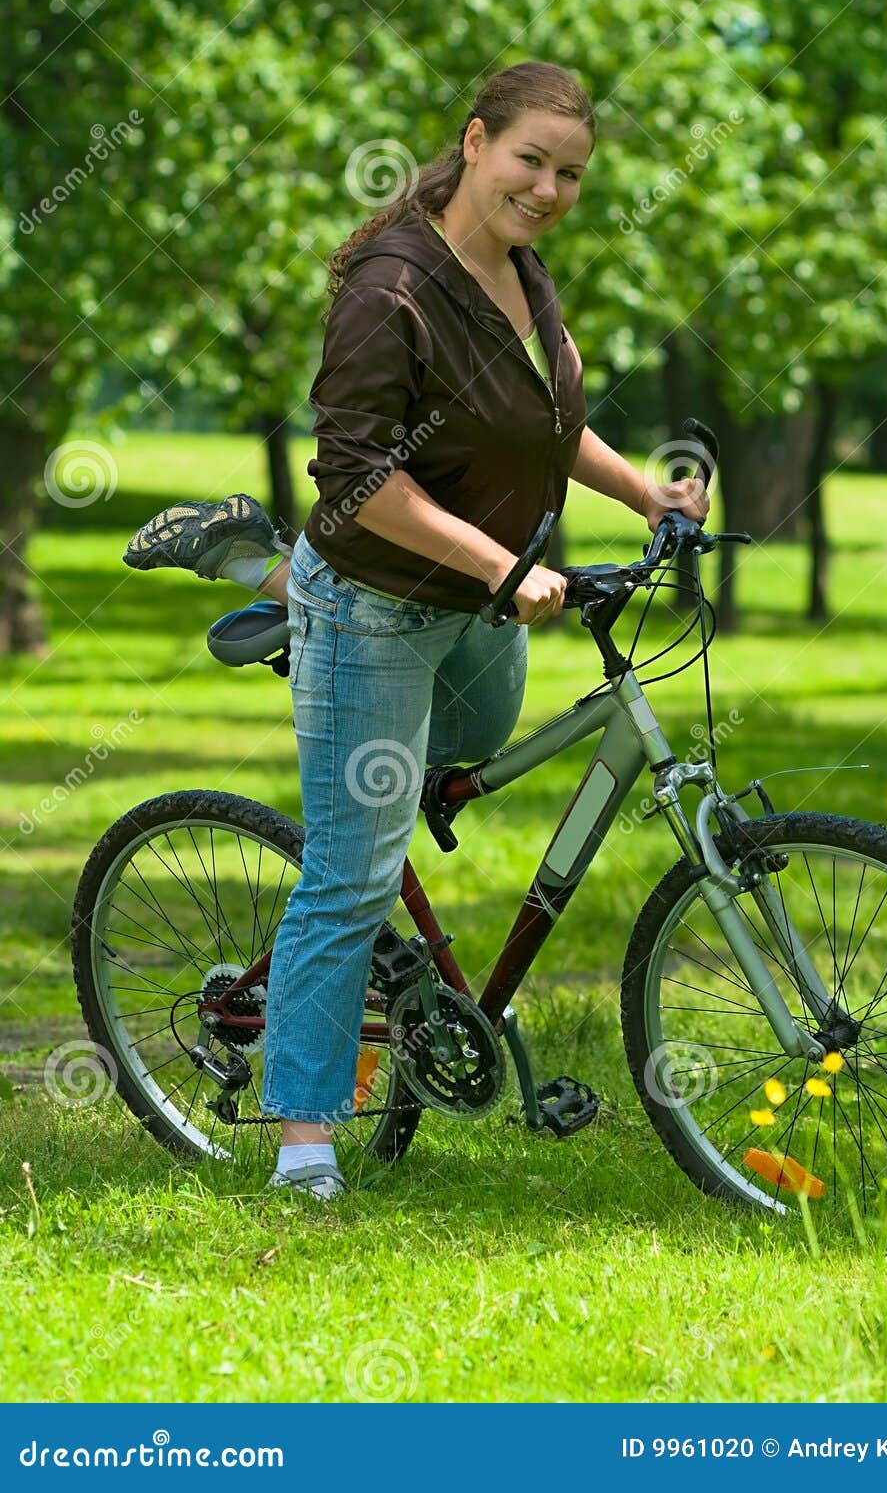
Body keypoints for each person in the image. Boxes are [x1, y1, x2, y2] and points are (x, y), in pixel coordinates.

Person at [124, 61, 707, 1200]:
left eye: (571, 174)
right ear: (475, 142)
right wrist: (503, 565)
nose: (548, 189)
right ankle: (303, 1144)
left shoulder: (521, 272)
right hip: (383, 599)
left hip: (474, 606)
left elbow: (546, 426)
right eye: (530, 160)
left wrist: (650, 497)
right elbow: (358, 479)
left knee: (461, 757)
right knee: (353, 870)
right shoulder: (390, 289)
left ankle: (276, 581)